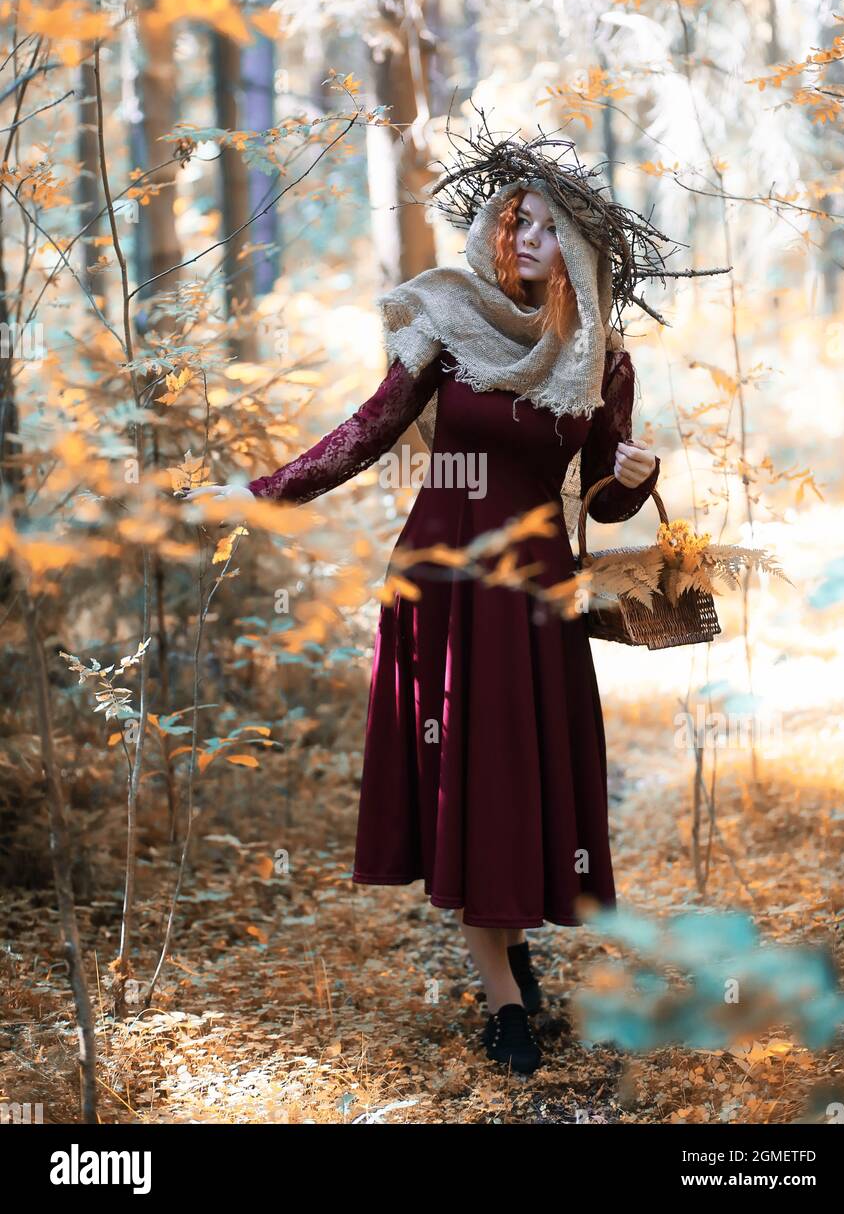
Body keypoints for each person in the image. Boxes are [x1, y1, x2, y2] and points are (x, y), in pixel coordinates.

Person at [188, 173, 660, 1077]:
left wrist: (632, 475)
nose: (523, 239)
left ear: (581, 249)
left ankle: (508, 951)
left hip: (535, 594)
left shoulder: (602, 357)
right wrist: (255, 494)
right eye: (515, 222)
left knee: (521, 788)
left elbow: (605, 502)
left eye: (546, 229)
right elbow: (367, 430)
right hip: (442, 587)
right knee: (473, 787)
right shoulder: (447, 323)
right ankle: (508, 1010)